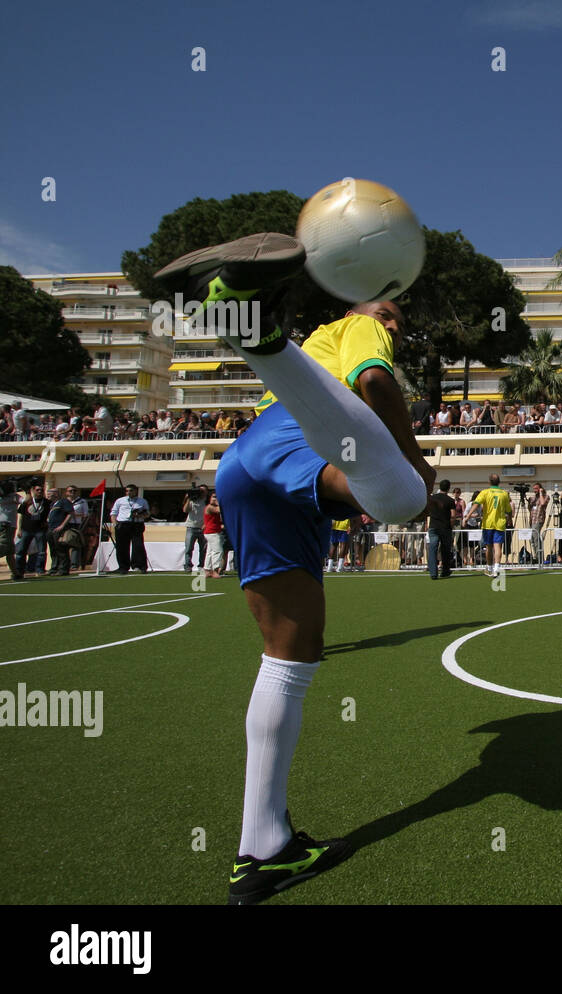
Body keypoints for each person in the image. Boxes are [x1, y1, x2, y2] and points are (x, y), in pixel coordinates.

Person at [154, 232, 436, 904]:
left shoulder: (321, 347)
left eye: (394, 317)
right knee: (408, 495)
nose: (394, 322)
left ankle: (264, 849)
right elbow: (371, 381)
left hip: (246, 462)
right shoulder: (360, 327)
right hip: (301, 443)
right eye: (389, 313)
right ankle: (253, 335)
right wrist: (416, 459)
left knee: (289, 654)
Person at [473, 474, 511, 578]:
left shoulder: (485, 492)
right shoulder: (504, 494)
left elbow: (476, 503)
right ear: (499, 482)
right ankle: (496, 568)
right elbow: (509, 510)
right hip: (499, 523)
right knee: (498, 546)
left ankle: (489, 567)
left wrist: (467, 516)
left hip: (488, 524)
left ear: (489, 482)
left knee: (489, 547)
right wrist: (510, 520)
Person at [109, 484, 150, 573]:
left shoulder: (142, 501)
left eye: (131, 490)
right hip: (123, 524)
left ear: (136, 491)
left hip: (136, 524)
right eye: (127, 491)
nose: (129, 492)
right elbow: (113, 513)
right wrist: (115, 524)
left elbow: (147, 514)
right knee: (121, 547)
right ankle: (123, 567)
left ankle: (139, 566)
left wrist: (139, 514)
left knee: (138, 546)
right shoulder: (120, 500)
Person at [426, 479, 456, 578]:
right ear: (448, 488)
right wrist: (451, 526)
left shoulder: (432, 498)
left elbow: (428, 512)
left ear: (440, 487)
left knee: (432, 549)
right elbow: (453, 515)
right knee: (445, 550)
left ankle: (433, 573)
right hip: (445, 527)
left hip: (433, 526)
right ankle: (445, 571)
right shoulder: (450, 500)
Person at [182, 485, 209, 573]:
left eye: (203, 491)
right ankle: (188, 565)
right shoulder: (192, 500)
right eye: (199, 491)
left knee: (203, 548)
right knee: (189, 548)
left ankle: (201, 565)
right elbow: (185, 510)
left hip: (202, 527)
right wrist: (189, 498)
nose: (201, 493)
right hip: (191, 527)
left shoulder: (206, 501)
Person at [203, 493, 225, 578]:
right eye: (213, 497)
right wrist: (219, 502)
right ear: (209, 498)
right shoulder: (210, 507)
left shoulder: (211, 507)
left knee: (210, 552)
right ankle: (215, 570)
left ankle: (207, 570)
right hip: (212, 532)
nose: (215, 499)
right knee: (218, 551)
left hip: (212, 532)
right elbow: (220, 510)